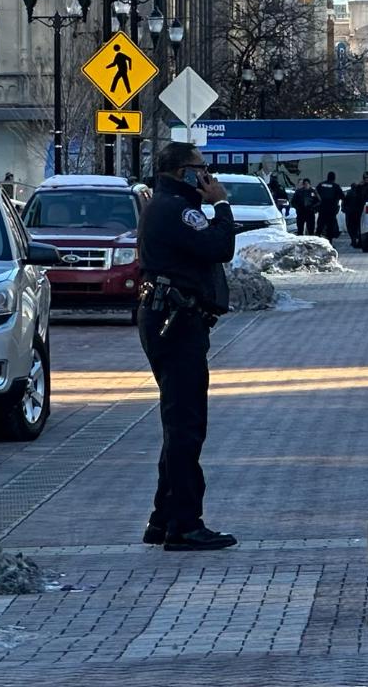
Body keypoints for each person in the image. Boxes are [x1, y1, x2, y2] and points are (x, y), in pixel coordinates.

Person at [136, 141, 238, 552]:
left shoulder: (168, 205)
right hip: (176, 322)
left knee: (178, 421)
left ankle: (164, 516)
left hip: (172, 319)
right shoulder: (178, 209)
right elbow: (220, 246)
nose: (208, 175)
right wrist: (222, 205)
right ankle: (184, 523)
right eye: (202, 168)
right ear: (184, 172)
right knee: (186, 425)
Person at [343, 171, 368, 248]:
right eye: (364, 178)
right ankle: (360, 241)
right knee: (359, 226)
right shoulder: (362, 185)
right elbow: (357, 194)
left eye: (367, 178)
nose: (366, 179)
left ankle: (363, 241)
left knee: (365, 225)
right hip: (360, 208)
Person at [315, 172, 342, 242]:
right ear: (334, 178)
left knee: (320, 226)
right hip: (331, 210)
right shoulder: (335, 186)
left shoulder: (321, 185)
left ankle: (317, 241)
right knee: (330, 227)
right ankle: (329, 242)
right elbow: (342, 196)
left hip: (322, 209)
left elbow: (315, 193)